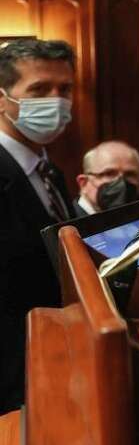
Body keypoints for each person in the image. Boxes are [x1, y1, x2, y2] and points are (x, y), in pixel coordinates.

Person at [0, 39, 76, 414]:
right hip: (11, 384)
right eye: (39, 90)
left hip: (55, 367)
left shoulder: (50, 172)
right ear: (2, 99)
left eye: (65, 89)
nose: (56, 101)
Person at [74, 140, 139, 217]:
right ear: (83, 183)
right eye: (109, 174)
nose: (122, 183)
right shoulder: (66, 225)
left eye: (130, 175)